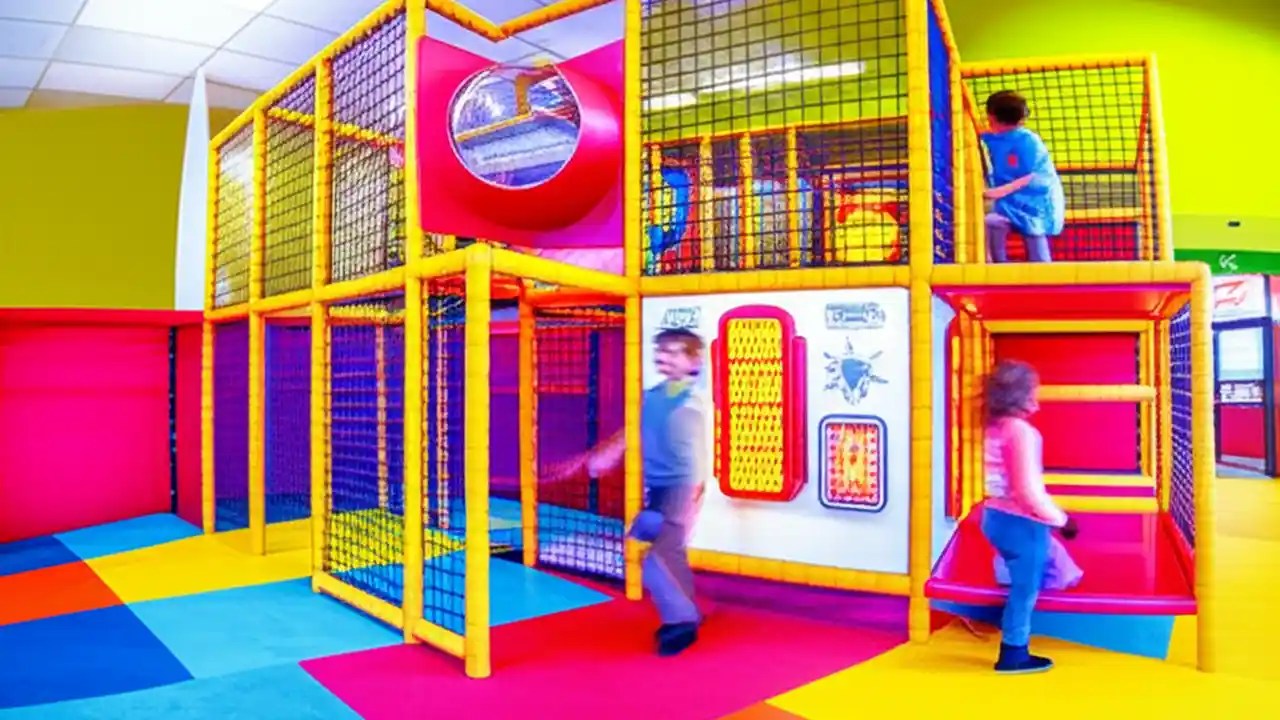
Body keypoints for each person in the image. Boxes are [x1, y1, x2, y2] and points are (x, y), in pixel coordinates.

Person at [551, 327, 708, 656]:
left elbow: (698, 457)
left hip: (679, 490)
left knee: (653, 559)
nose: (664, 357)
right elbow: (631, 430)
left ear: (694, 359)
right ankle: (688, 606)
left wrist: (692, 498)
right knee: (665, 548)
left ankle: (681, 621)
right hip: (658, 487)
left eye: (675, 351)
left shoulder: (694, 403)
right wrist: (597, 458)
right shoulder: (653, 396)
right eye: (661, 351)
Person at [982, 359, 1079, 673]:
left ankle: (1006, 586)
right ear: (1019, 396)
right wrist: (1061, 519)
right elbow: (1026, 491)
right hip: (1020, 521)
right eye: (1031, 392)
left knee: (1049, 563)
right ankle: (1013, 651)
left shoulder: (994, 427)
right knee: (1025, 590)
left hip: (994, 516)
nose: (1036, 399)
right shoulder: (1021, 432)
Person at [981, 90, 1066, 263]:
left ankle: (1043, 275)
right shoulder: (994, 137)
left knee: (1035, 234)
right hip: (1010, 202)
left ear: (992, 117)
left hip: (1036, 201)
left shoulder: (1028, 141)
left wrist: (998, 192)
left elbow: (1031, 177)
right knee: (992, 223)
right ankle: (999, 266)